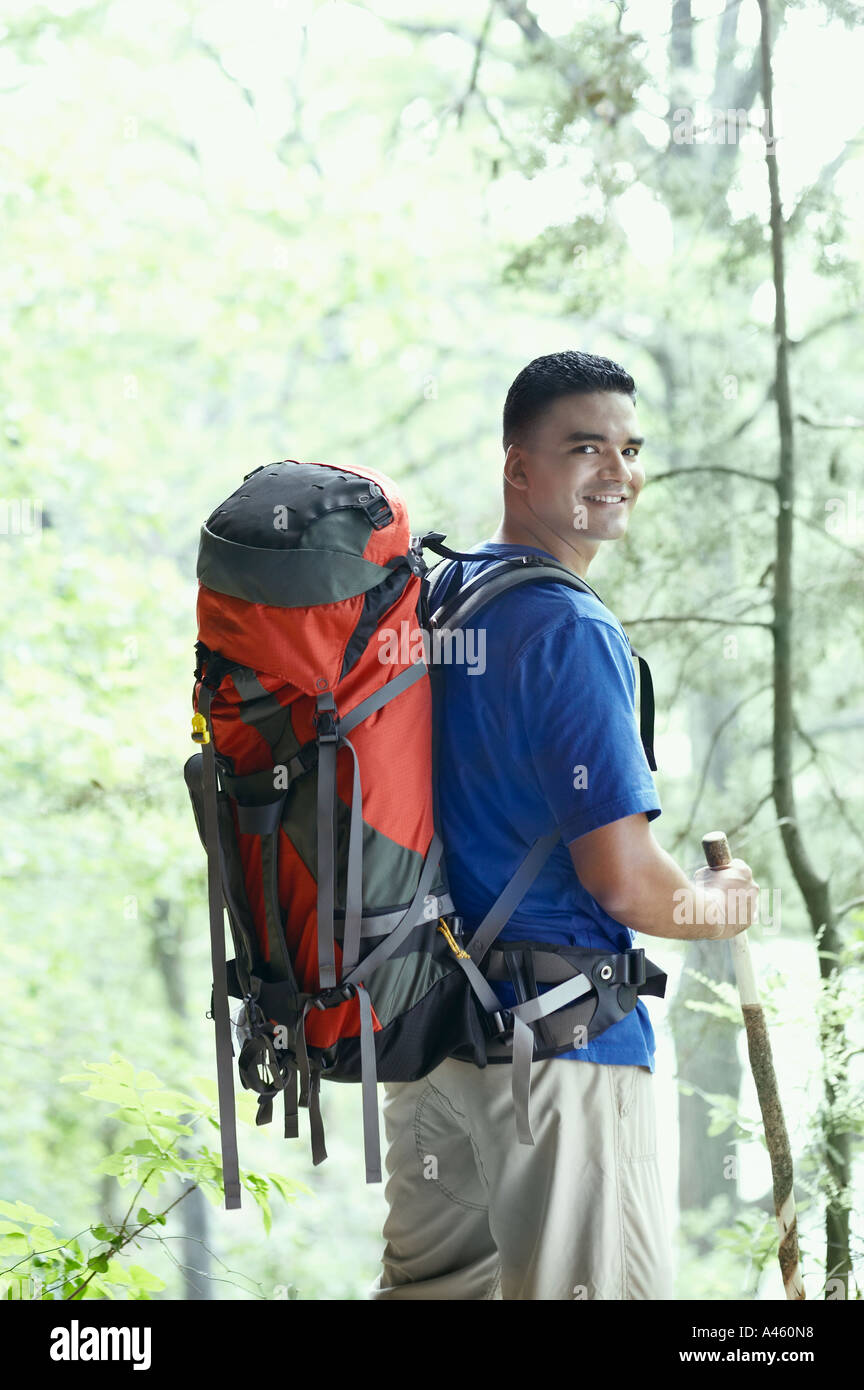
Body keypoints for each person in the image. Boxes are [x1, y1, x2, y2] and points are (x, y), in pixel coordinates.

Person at [368, 350, 759, 1301]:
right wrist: (718, 907)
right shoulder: (568, 631)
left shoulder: (442, 602)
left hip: (435, 1047)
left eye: (629, 448)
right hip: (561, 1062)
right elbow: (624, 882)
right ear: (519, 470)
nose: (616, 471)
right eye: (585, 447)